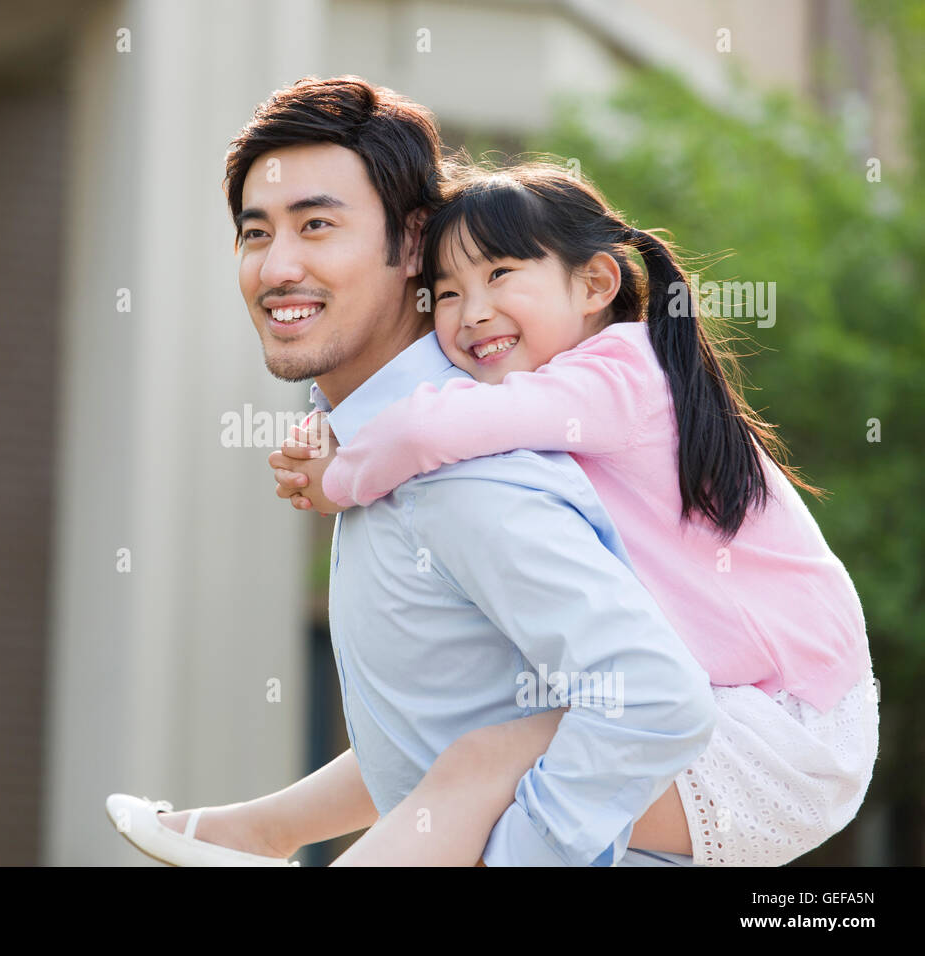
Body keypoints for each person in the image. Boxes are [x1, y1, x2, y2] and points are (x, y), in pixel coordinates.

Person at [146, 75, 721, 867]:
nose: (278, 266)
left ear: (413, 243)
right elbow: (451, 732)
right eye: (255, 234)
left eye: (317, 225)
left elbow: (652, 697)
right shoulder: (388, 450)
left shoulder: (462, 470)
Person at [269, 158, 879, 865]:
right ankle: (264, 830)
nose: (473, 313)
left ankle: (268, 834)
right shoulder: (587, 390)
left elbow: (436, 427)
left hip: (787, 732)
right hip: (765, 712)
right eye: (447, 294)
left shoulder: (620, 371)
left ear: (595, 283)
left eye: (499, 275)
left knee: (479, 764)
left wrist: (341, 474)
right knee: (471, 748)